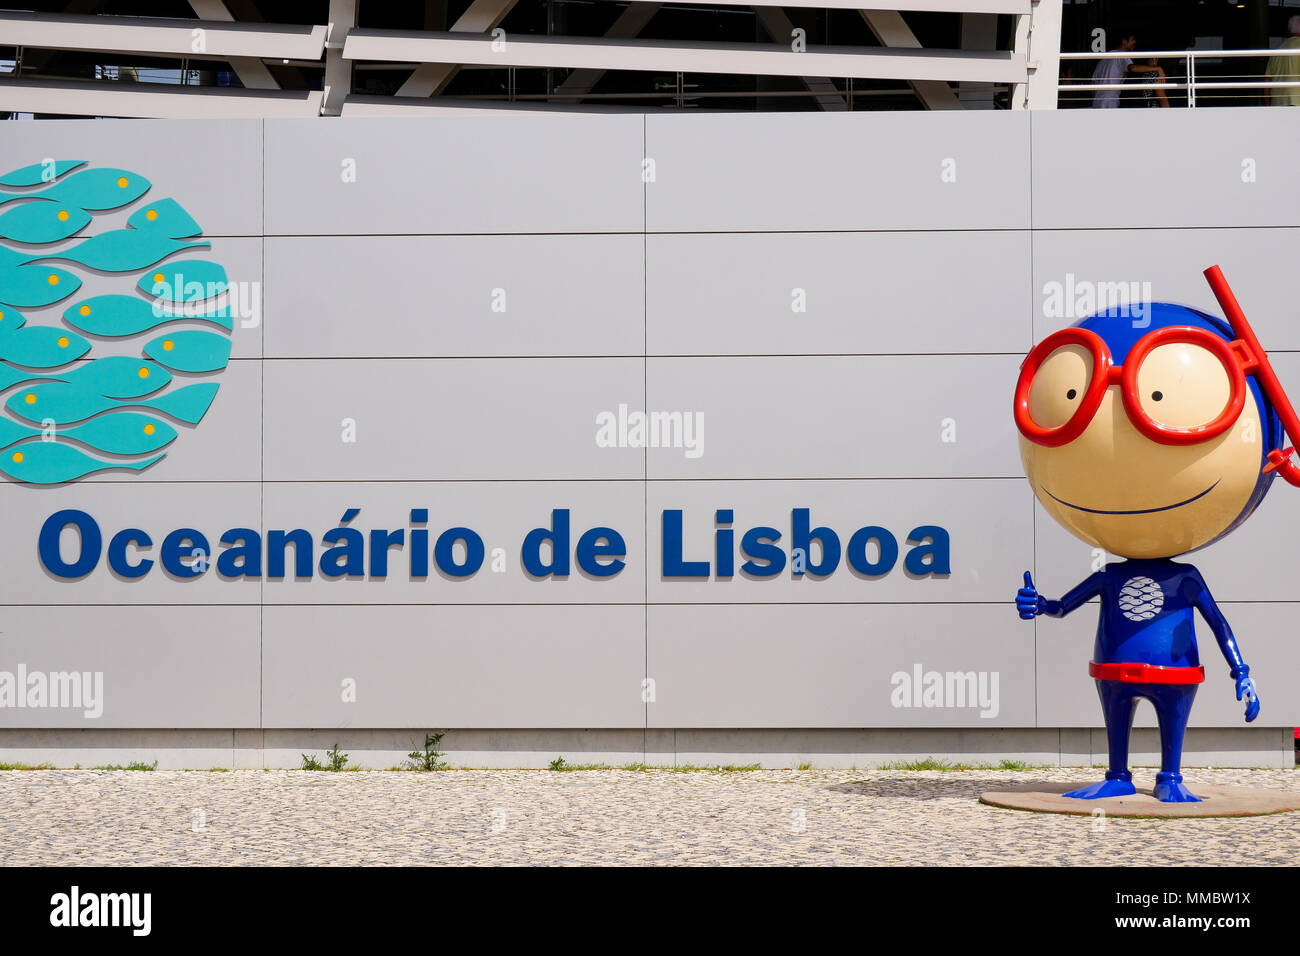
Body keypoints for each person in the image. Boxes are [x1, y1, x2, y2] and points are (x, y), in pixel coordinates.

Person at [1013, 266, 1300, 803]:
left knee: (1171, 725)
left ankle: (1171, 776)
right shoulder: (1109, 575)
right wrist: (1043, 604)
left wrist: (1241, 670)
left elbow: (1216, 622)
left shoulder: (1185, 579)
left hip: (1175, 667)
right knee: (1116, 718)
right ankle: (1118, 774)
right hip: (1115, 664)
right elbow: (1067, 605)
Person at [1089, 34, 1137, 108]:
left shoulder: (1102, 60)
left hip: (1097, 102)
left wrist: (1096, 99)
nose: (1135, 42)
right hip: (1110, 101)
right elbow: (1133, 68)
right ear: (1124, 41)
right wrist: (1156, 69)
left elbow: (1092, 83)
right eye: (1132, 39)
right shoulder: (1122, 55)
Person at [1265, 15, 1300, 106]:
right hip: (1296, 101)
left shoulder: (1277, 51)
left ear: (1289, 31)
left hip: (1277, 103)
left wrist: (1268, 105)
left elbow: (1267, 80)